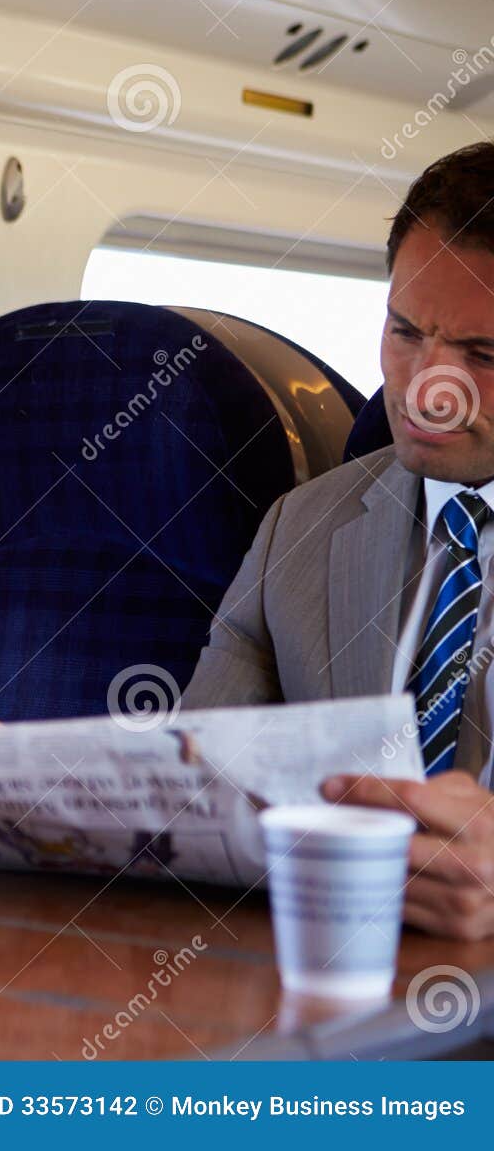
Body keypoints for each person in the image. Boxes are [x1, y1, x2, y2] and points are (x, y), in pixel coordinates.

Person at [183, 141, 494, 941]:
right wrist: (47, 790)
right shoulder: (302, 528)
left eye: (482, 354)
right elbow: (198, 788)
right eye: (405, 330)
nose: (428, 385)